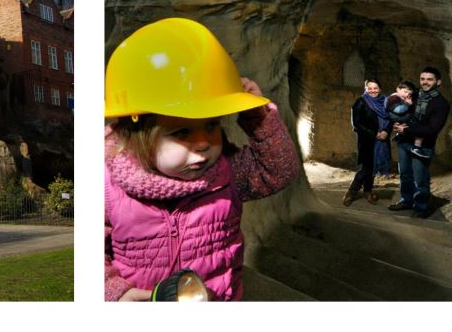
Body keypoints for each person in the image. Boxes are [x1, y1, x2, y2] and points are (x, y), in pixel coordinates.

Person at [104, 18, 299, 302]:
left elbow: (279, 170)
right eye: (182, 132)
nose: (204, 142)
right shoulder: (108, 186)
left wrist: (258, 116)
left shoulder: (225, 172)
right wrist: (116, 292)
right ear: (136, 134)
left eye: (211, 125)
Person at [388, 67, 451, 219]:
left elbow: (432, 129)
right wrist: (395, 124)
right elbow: (401, 111)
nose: (425, 82)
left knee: (420, 178)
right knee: (405, 175)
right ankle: (406, 201)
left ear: (438, 82)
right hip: (404, 142)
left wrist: (406, 129)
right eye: (423, 79)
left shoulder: (441, 104)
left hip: (423, 146)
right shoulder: (414, 95)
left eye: (429, 79)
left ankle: (421, 208)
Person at [345, 79, 389, 206]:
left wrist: (386, 131)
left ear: (380, 89)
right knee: (366, 167)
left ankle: (367, 191)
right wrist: (374, 133)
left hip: (382, 141)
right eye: (369, 88)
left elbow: (390, 119)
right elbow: (357, 123)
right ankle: (351, 192)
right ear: (365, 89)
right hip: (367, 140)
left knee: (372, 167)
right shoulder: (361, 102)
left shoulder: (385, 102)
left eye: (375, 88)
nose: (372, 91)